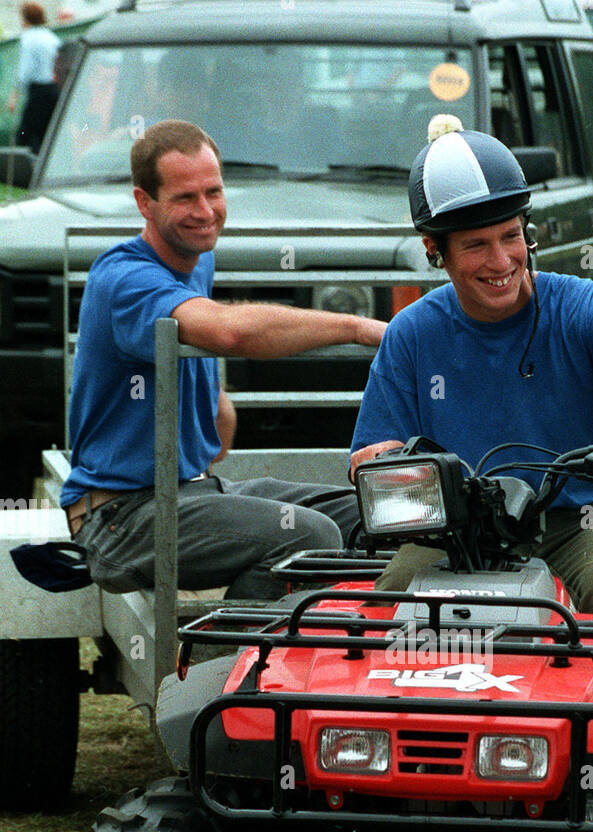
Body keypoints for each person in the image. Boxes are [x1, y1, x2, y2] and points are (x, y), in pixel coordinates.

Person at [350, 117, 593, 622]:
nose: (501, 260)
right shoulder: (411, 333)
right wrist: (381, 461)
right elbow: (372, 452)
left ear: (528, 233)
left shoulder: (589, 305)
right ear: (434, 249)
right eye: (476, 245)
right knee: (391, 602)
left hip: (582, 521)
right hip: (453, 532)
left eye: (511, 236)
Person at [61, 120, 385, 599]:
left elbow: (198, 340)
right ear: (144, 203)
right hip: (119, 518)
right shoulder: (125, 278)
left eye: (213, 191)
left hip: (192, 489)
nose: (205, 211)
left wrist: (214, 401)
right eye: (185, 197)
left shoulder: (196, 260)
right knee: (311, 535)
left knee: (375, 513)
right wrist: (357, 327)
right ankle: (228, 646)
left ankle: (337, 641)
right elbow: (229, 331)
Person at [5, 3, 61, 154]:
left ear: (26, 18)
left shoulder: (28, 38)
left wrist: (14, 96)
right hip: (53, 90)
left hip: (38, 91)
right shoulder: (52, 37)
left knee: (25, 135)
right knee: (47, 133)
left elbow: (25, 71)